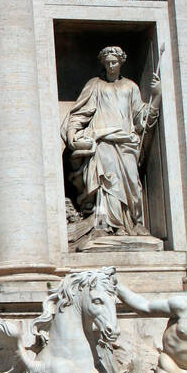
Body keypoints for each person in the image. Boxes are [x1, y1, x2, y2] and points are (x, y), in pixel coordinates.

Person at [64, 46, 161, 239]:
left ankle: (133, 223)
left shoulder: (131, 87)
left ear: (121, 62)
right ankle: (103, 225)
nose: (110, 66)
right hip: (103, 141)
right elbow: (80, 113)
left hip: (126, 142)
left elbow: (142, 118)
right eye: (107, 62)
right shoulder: (95, 85)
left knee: (132, 184)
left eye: (114, 62)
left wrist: (157, 95)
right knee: (105, 185)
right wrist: (72, 132)